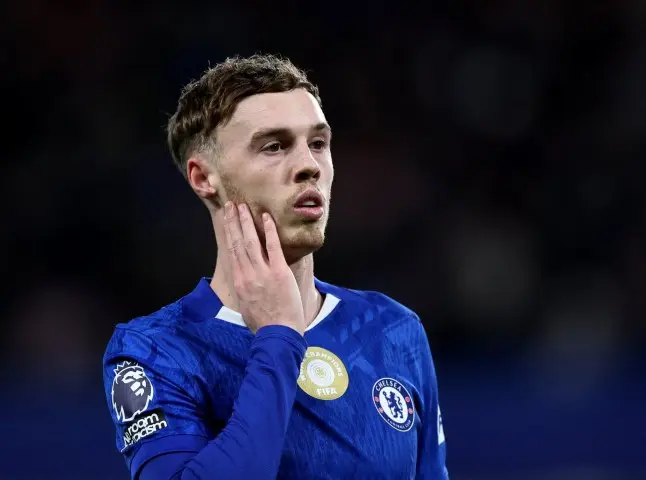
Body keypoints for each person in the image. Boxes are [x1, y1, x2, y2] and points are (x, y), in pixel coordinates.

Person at [103, 53, 449, 480]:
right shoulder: (154, 350)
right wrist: (278, 336)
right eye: (274, 146)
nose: (309, 166)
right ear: (203, 178)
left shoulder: (393, 329)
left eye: (318, 143)